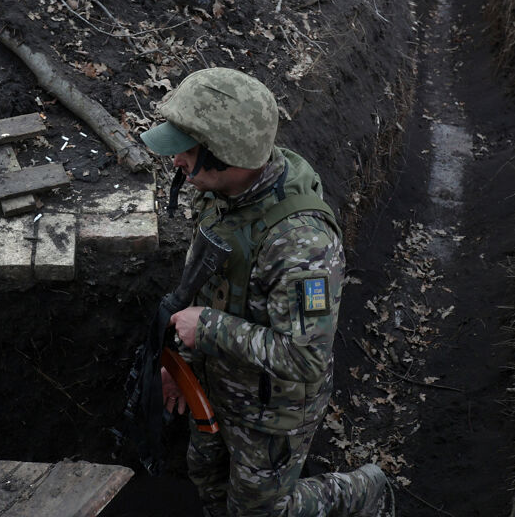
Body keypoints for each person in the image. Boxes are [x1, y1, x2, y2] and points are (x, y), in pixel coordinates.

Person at [140, 67, 390, 517]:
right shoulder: (225, 196)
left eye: (184, 149)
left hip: (272, 412)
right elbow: (209, 289)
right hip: (218, 385)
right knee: (207, 478)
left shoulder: (302, 245)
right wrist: (180, 367)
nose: (174, 160)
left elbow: (306, 358)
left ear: (224, 152)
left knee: (259, 511)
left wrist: (209, 330)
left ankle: (365, 491)